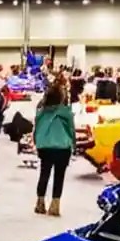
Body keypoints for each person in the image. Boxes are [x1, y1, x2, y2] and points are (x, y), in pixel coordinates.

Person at [33, 83, 76, 217]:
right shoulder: (66, 112)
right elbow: (71, 130)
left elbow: (37, 129)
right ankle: (55, 205)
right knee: (59, 176)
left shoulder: (41, 112)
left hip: (45, 146)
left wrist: (36, 142)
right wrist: (73, 144)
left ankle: (40, 202)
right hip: (63, 147)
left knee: (44, 174)